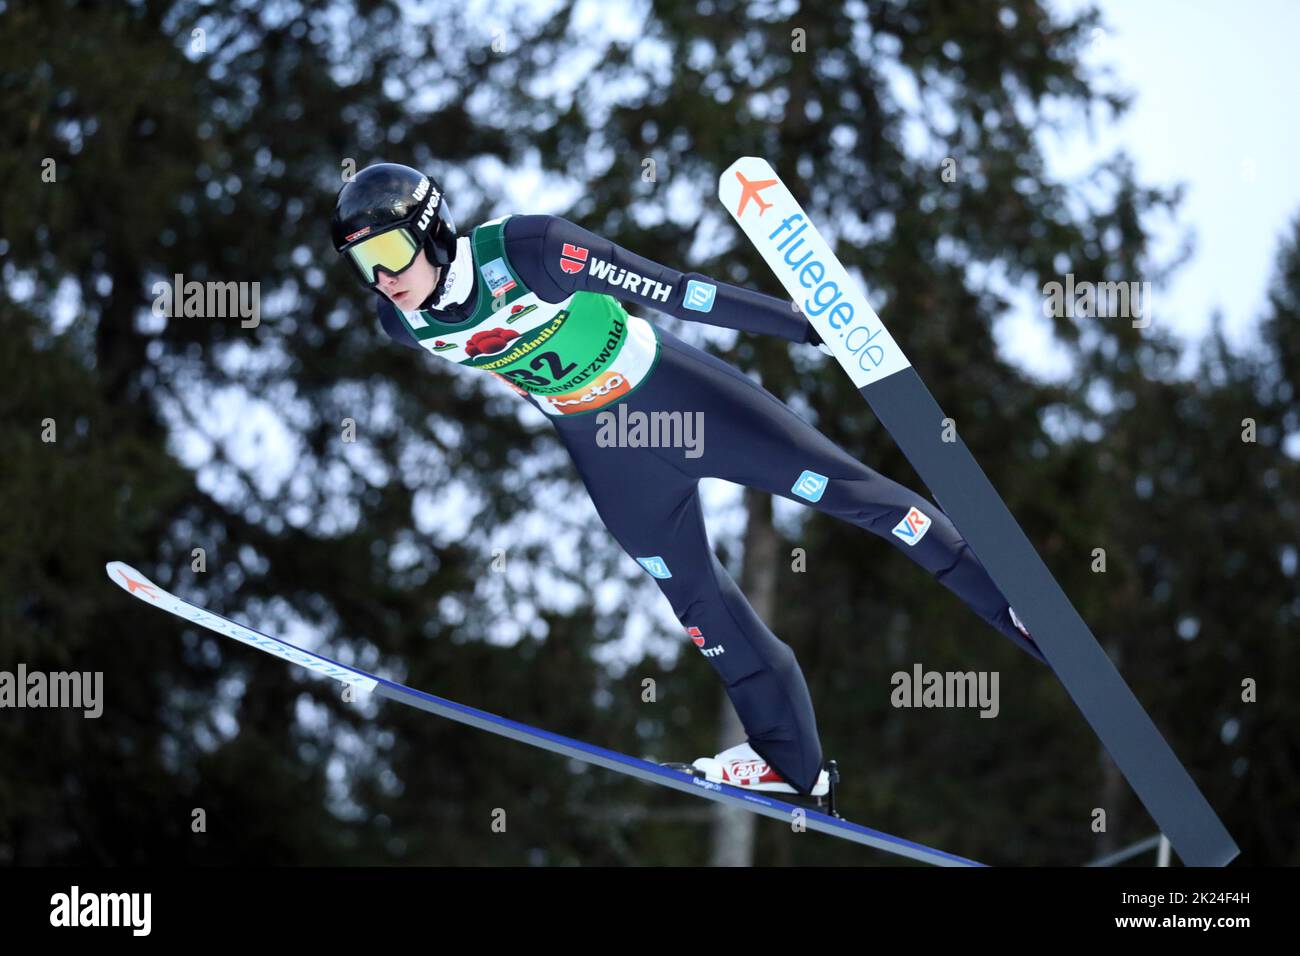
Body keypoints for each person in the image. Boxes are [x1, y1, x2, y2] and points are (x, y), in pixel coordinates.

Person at [330, 161, 1046, 798]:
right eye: (364, 265)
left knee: (852, 495)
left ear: (433, 232)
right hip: (610, 451)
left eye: (389, 253)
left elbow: (679, 293)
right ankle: (790, 761)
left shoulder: (531, 251)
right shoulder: (403, 324)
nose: (383, 279)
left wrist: (806, 326)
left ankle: (1010, 602)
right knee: (698, 603)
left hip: (681, 403)